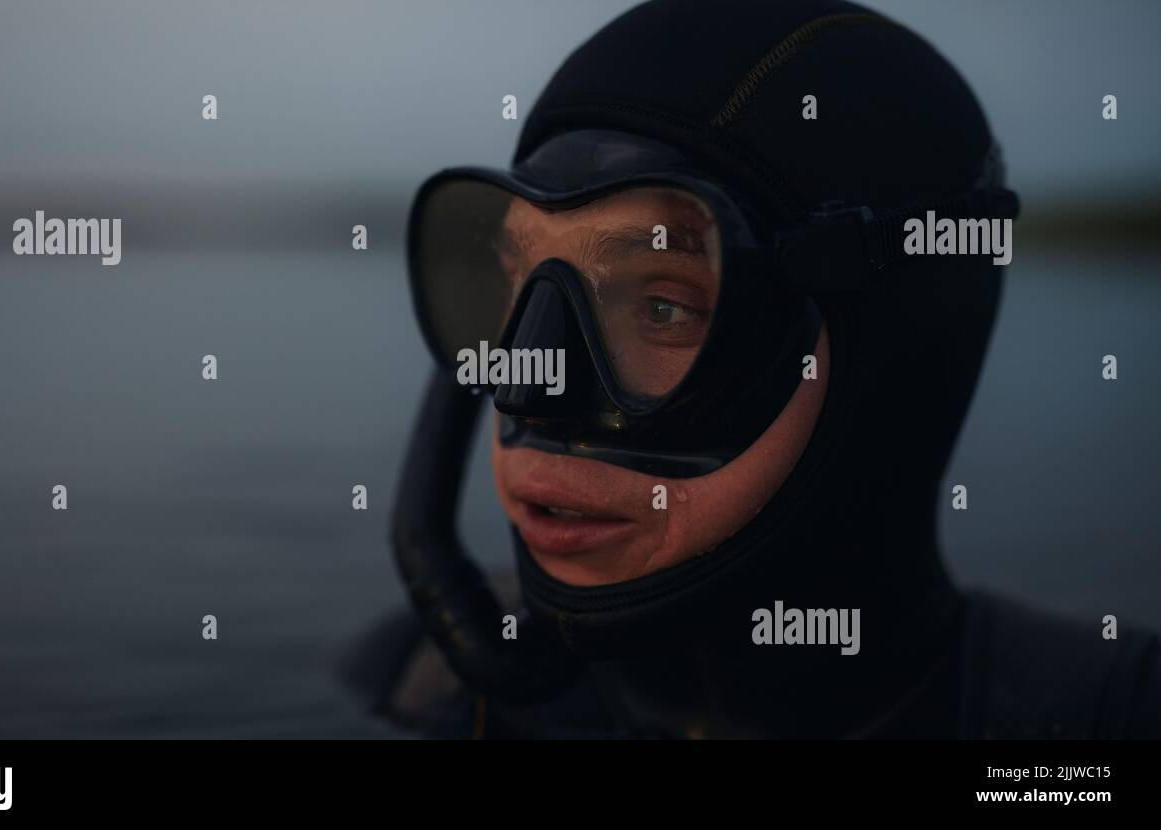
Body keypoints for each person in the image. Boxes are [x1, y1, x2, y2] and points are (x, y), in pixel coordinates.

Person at [343, 0, 1161, 738]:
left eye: (662, 307)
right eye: (522, 286)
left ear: (899, 355)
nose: (528, 386)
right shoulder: (414, 680)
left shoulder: (1105, 722)